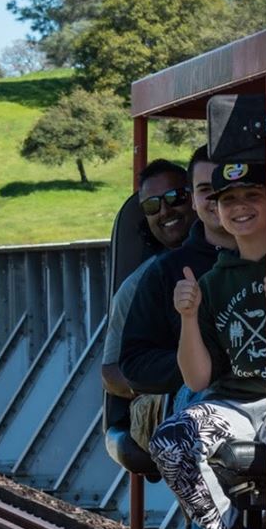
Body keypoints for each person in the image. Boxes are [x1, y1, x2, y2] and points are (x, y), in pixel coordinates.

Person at [148, 158, 266, 529]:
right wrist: (187, 316)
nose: (239, 207)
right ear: (216, 211)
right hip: (236, 405)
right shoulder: (212, 281)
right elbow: (198, 376)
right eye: (228, 200)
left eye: (252, 195)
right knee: (171, 442)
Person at [117, 147, 233, 529]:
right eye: (207, 190)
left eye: (233, 190)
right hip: (192, 396)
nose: (222, 200)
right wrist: (201, 365)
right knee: (197, 392)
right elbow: (130, 364)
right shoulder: (164, 274)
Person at [100, 159, 196, 398]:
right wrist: (163, 391)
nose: (165, 210)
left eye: (175, 197)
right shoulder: (137, 285)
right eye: (152, 205)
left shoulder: (230, 259)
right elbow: (110, 373)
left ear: (196, 199)